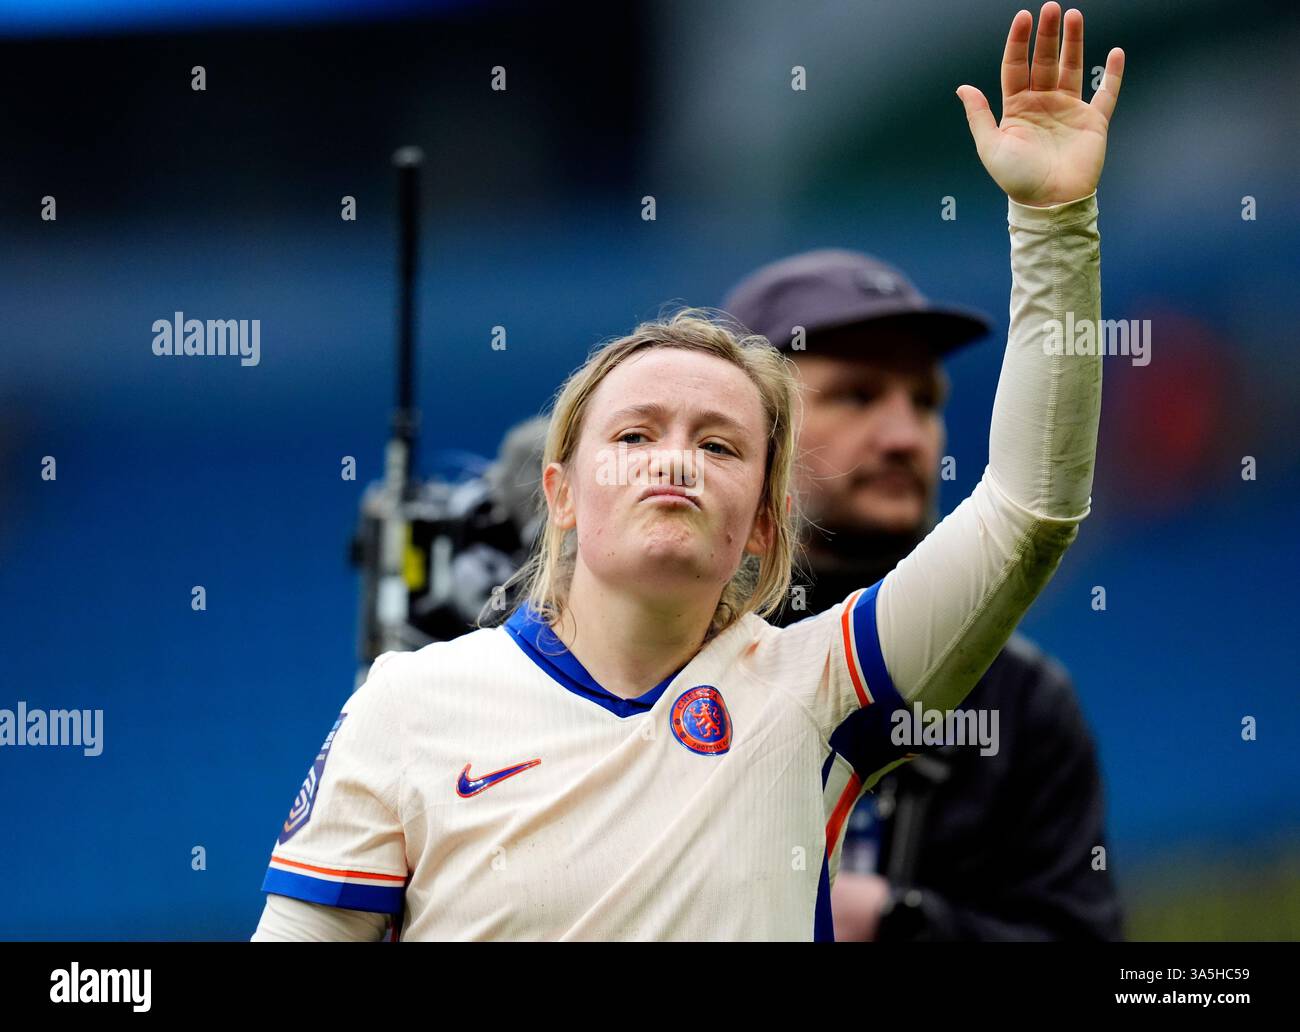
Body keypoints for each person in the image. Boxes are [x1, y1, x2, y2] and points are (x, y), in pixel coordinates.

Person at [250, 3, 1124, 940]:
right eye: (633, 436)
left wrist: (1053, 223)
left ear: (762, 520)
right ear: (561, 493)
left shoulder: (815, 690)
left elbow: (1030, 509)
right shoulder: (408, 703)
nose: (675, 457)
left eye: (718, 445)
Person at [722, 254, 1122, 941]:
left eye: (925, 402)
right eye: (857, 394)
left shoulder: (1023, 701)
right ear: (741, 427)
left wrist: (895, 923)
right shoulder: (656, 658)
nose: (907, 437)